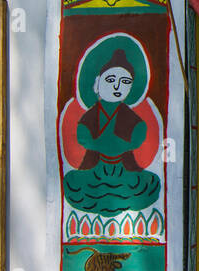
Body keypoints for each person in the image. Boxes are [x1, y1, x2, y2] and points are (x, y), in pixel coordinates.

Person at [63, 44, 161, 216]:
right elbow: (82, 135)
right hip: (95, 169)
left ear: (131, 88)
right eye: (110, 80)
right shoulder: (92, 114)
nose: (117, 87)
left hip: (125, 170)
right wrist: (104, 143)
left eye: (125, 82)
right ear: (97, 83)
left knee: (149, 184)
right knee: (73, 183)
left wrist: (116, 143)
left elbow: (139, 132)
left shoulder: (129, 115)